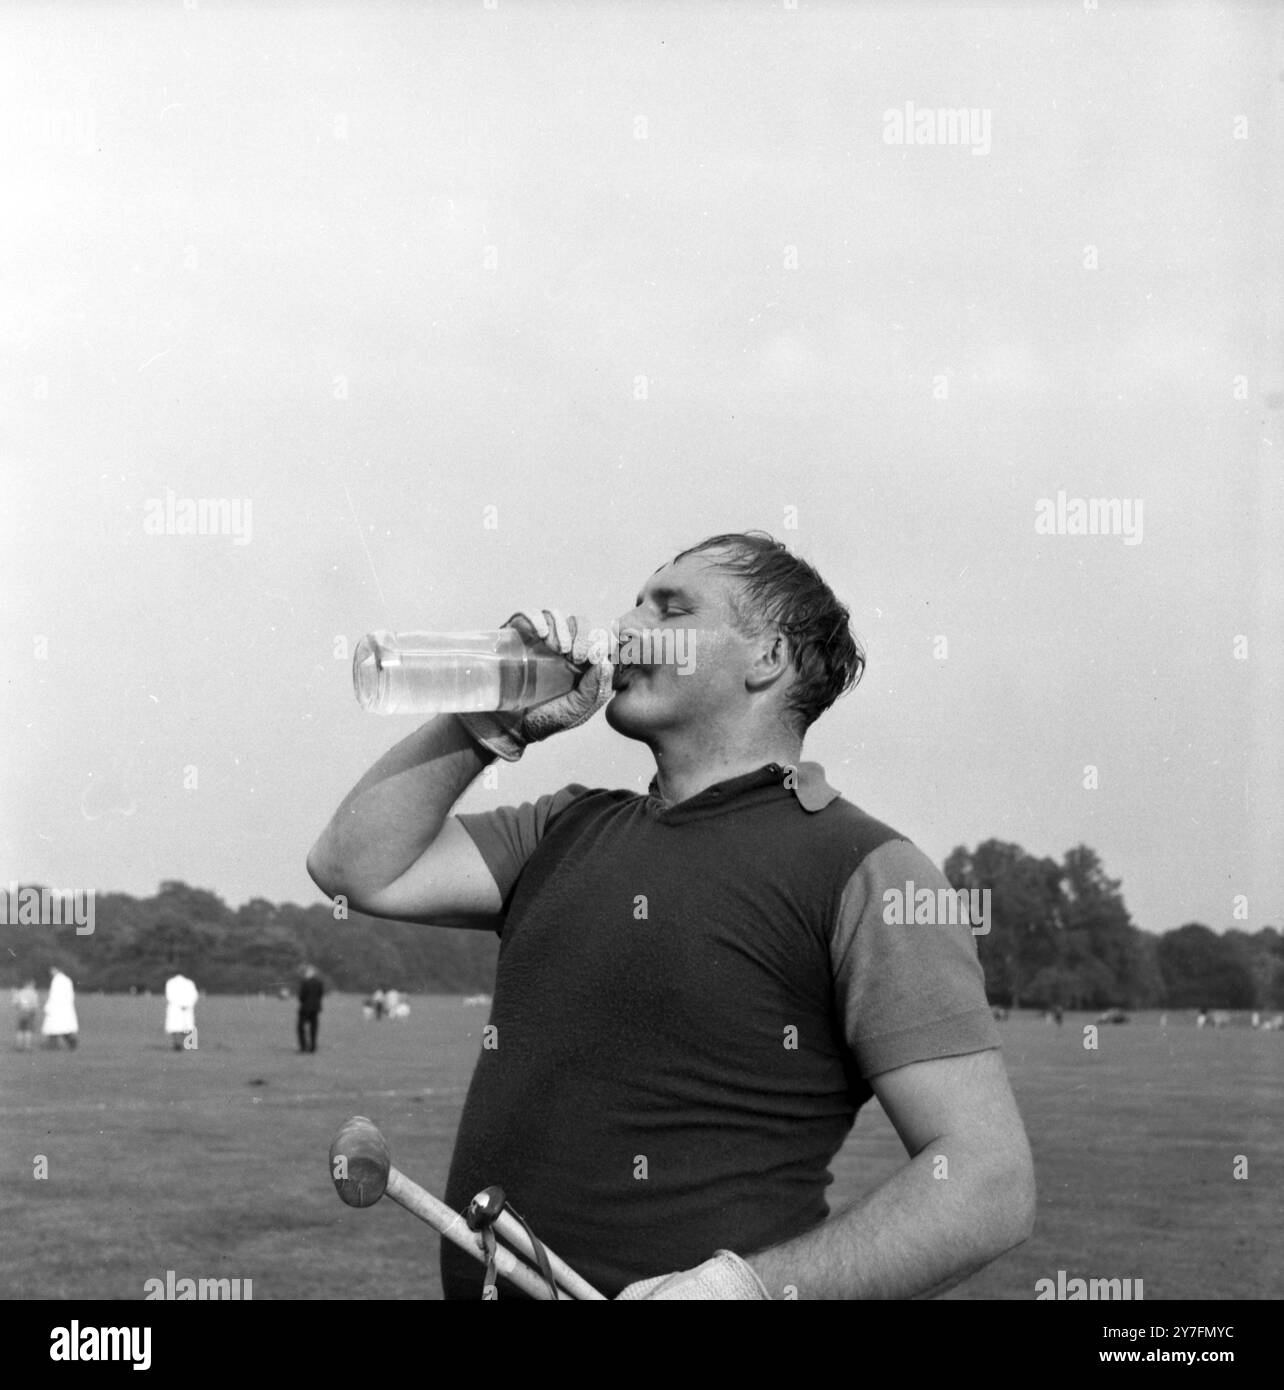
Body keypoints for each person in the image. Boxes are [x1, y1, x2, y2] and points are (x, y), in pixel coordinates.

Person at [308, 532, 1036, 1299]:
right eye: (634, 601)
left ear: (768, 658)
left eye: (671, 608)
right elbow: (354, 868)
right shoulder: (565, 827)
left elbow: (988, 1181)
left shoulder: (868, 870)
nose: (625, 627)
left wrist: (742, 1290)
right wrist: (493, 723)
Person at [42, 966, 78, 1050]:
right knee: (62, 1028)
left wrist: (48, 1006)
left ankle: (54, 1045)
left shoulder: (56, 981)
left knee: (54, 1027)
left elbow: (53, 995)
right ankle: (55, 1045)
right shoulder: (67, 980)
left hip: (56, 1007)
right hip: (65, 1007)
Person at [164, 970, 199, 1050]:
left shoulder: (171, 982)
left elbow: (169, 995)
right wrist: (187, 1004)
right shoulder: (189, 983)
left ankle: (177, 1043)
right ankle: (180, 1043)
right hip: (184, 1008)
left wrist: (180, 1004)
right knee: (183, 1027)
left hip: (176, 1008)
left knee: (176, 1027)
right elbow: (194, 995)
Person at [297, 965, 324, 1053]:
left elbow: (301, 996)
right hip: (315, 1008)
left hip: (305, 1008)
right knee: (313, 1028)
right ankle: (313, 1047)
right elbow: (320, 994)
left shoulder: (305, 982)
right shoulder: (319, 982)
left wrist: (304, 1001)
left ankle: (303, 1046)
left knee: (301, 1027)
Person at [12, 980, 39, 1050]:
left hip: (21, 1013)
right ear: (30, 985)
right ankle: (27, 1046)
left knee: (20, 1030)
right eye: (33, 985)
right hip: (29, 1013)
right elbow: (35, 1005)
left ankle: (19, 1046)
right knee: (28, 1030)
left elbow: (15, 1003)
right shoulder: (33, 993)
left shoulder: (20, 992)